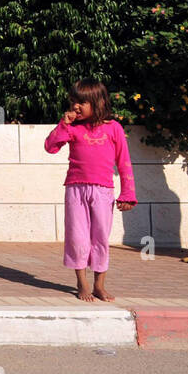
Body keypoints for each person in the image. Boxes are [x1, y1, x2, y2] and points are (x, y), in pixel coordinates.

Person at [43, 78, 137, 302]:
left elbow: (124, 162)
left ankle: (99, 285)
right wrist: (63, 124)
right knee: (78, 237)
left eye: (81, 102)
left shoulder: (113, 128)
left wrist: (128, 194)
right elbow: (50, 147)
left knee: (100, 238)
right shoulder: (72, 128)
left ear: (99, 103)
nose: (75, 106)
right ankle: (82, 282)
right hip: (76, 190)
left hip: (103, 192)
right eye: (73, 101)